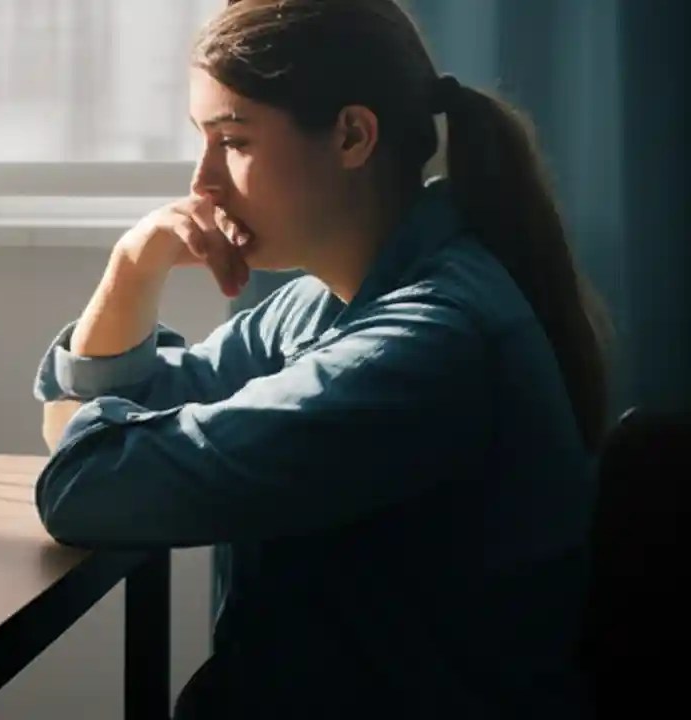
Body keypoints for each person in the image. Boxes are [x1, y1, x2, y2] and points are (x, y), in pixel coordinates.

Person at [31, 0, 611, 717]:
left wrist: (81, 428)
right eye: (202, 141)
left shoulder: (428, 344)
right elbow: (122, 413)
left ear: (351, 136)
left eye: (233, 141)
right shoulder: (329, 302)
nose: (202, 185)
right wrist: (132, 269)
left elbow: (85, 486)